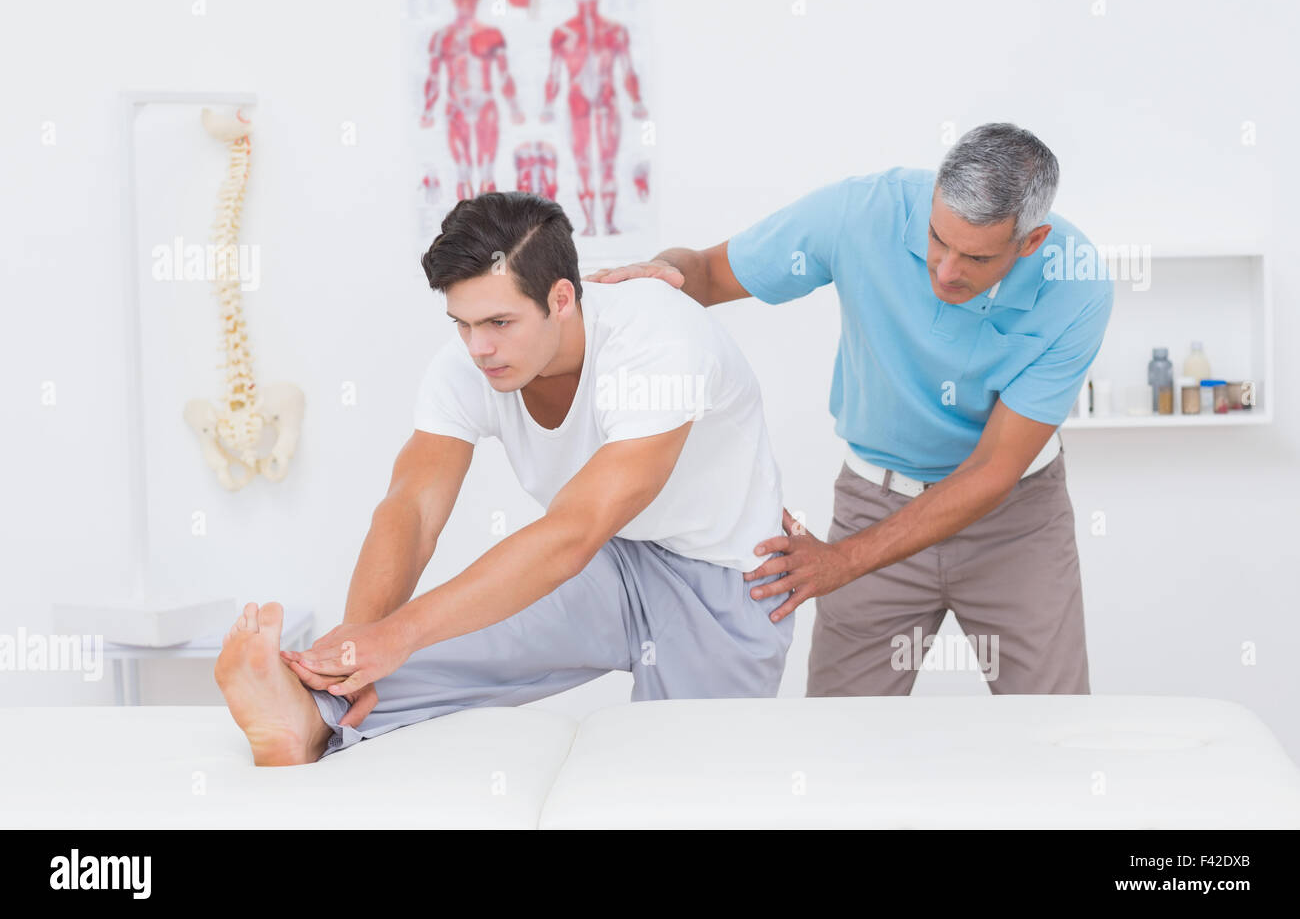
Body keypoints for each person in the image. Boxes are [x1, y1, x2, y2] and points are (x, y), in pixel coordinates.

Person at [214, 191, 794, 765]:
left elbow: (575, 528)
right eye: (462, 324)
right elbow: (411, 509)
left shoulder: (659, 340)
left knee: (690, 786)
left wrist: (397, 634)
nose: (480, 348)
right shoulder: (467, 363)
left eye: (499, 322)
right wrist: (355, 646)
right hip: (610, 563)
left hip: (724, 584)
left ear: (561, 298)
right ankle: (316, 716)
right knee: (407, 646)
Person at [586, 123, 1114, 696]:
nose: (944, 270)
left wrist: (842, 561)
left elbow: (992, 471)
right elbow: (710, 272)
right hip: (876, 502)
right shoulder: (864, 212)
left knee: (1053, 730)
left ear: (1030, 242)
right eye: (938, 239)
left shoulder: (1076, 284)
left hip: (1016, 523)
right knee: (839, 736)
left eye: (975, 257)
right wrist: (658, 277)